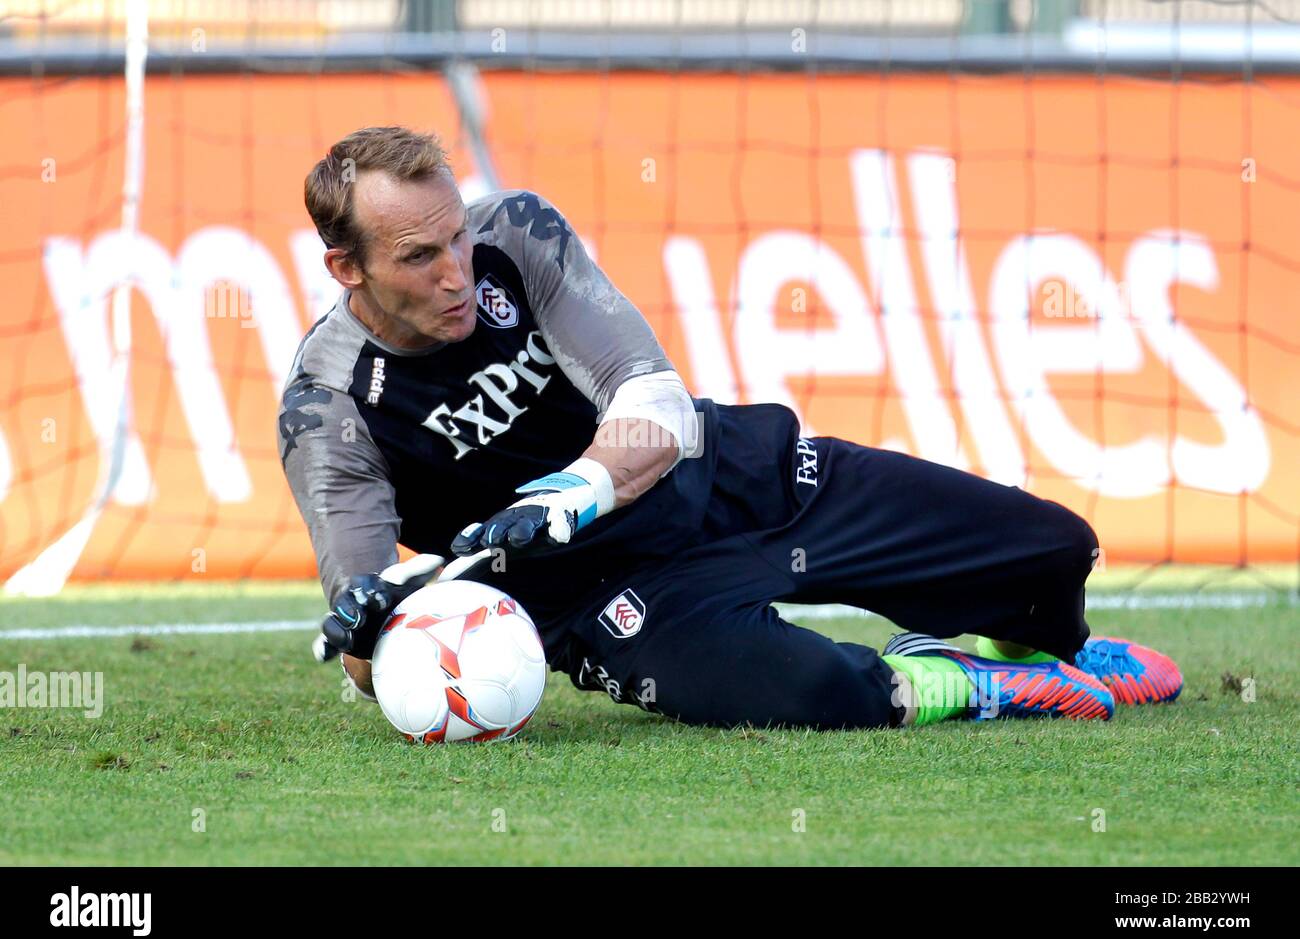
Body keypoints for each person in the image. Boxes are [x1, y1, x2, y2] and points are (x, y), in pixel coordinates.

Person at [278, 126, 1182, 732]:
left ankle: (1029, 641)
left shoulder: (516, 233)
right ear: (345, 267)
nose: (455, 273)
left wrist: (575, 490)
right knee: (821, 689)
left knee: (1056, 547)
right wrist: (370, 628)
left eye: (455, 238)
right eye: (419, 257)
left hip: (733, 480)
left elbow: (651, 398)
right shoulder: (325, 408)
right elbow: (366, 657)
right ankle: (958, 682)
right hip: (605, 598)